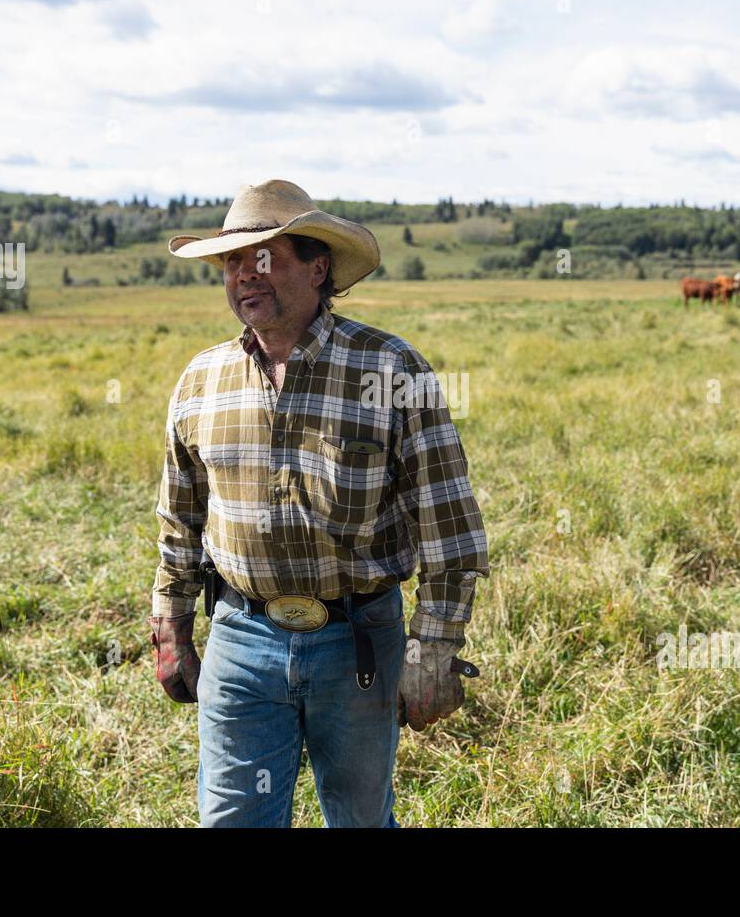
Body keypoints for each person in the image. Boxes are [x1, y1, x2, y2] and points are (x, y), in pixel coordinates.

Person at [148, 179, 490, 827]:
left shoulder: (390, 371)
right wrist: (170, 624)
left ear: (319, 267)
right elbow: (180, 521)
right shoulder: (200, 382)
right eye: (231, 262)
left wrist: (434, 648)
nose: (245, 275)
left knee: (361, 820)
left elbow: (450, 529)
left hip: (358, 644)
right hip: (240, 638)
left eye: (264, 257)